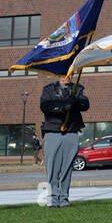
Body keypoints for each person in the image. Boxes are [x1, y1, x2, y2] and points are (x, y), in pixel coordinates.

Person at [39, 73, 89, 208]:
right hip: (53, 132)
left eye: (69, 74)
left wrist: (76, 101)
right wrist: (62, 106)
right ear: (58, 75)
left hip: (71, 132)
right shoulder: (49, 89)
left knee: (67, 168)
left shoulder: (77, 89)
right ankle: (53, 200)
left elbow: (85, 104)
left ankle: (64, 199)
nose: (66, 76)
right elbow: (45, 106)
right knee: (53, 169)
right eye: (63, 74)